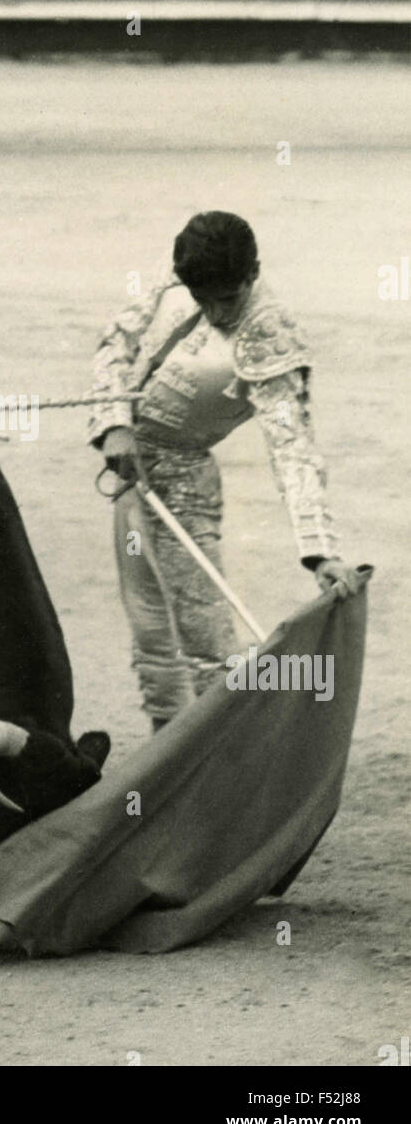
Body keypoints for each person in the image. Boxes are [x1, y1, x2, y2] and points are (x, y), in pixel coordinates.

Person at [88, 211, 362, 733]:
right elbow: (114, 347)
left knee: (207, 643)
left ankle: (228, 756)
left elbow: (293, 446)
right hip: (130, 476)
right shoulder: (176, 283)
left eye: (228, 300)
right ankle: (168, 751)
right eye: (203, 299)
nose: (214, 313)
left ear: (253, 274)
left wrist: (320, 550)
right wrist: (114, 425)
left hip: (183, 485)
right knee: (150, 632)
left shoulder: (270, 335)